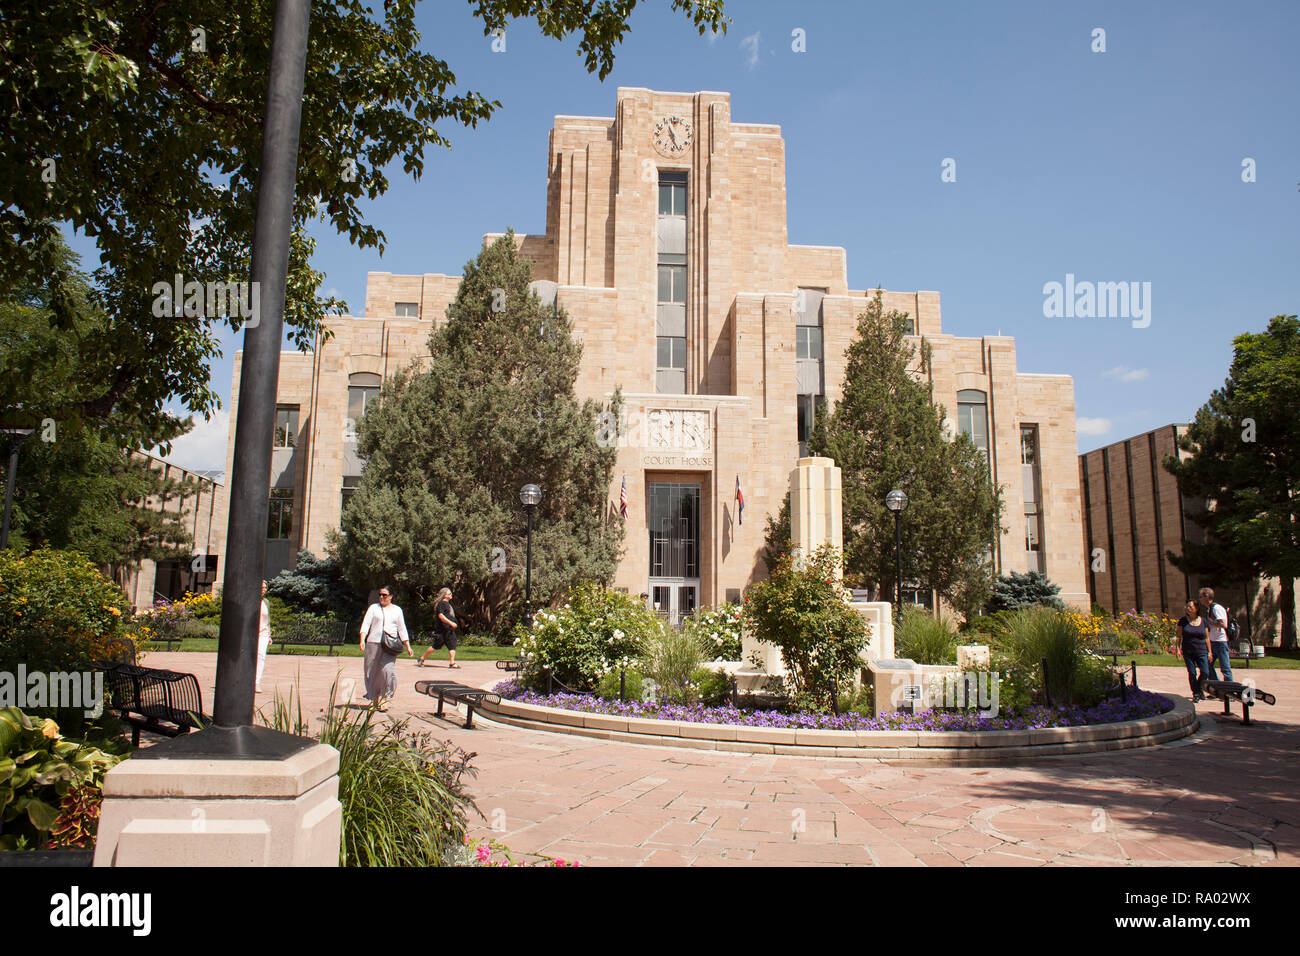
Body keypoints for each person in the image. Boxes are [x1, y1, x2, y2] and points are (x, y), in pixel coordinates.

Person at [359, 586, 412, 710]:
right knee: (371, 671)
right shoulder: (373, 608)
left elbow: (401, 628)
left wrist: (407, 645)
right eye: (380, 595)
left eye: (385, 595)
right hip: (373, 643)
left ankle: (384, 698)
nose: (382, 597)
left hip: (389, 645)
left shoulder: (397, 610)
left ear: (391, 596)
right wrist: (362, 639)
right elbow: (366, 624)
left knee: (387, 671)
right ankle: (374, 698)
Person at [418, 587, 461, 669]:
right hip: (442, 630)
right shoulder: (441, 604)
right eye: (449, 594)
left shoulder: (448, 604)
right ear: (444, 595)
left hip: (449, 630)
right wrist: (451, 623)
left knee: (452, 645)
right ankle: (422, 658)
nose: (451, 595)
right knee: (436, 646)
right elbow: (441, 616)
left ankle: (452, 663)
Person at [1178, 599, 1211, 702]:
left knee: (1205, 672)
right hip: (1188, 651)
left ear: (1196, 609)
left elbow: (1207, 638)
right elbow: (1179, 636)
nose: (1188, 608)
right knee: (1192, 672)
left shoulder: (1203, 621)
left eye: (1190, 607)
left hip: (1201, 650)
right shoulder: (1183, 621)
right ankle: (1196, 693)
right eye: (1187, 606)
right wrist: (1178, 649)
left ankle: (1199, 688)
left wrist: (1210, 651)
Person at [1200, 587, 1233, 683]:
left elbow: (1223, 624)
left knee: (1225, 668)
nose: (1200, 599)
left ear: (1207, 596)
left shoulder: (1217, 608)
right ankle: (1217, 687)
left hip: (1220, 642)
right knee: (1207, 665)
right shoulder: (1209, 609)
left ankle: (1230, 690)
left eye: (1201, 596)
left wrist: (1208, 624)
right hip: (1213, 641)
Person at [255, 580, 271, 693]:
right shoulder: (250, 601)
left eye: (265, 587)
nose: (263, 590)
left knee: (261, 656)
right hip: (251, 634)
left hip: (263, 634)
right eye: (261, 587)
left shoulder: (266, 602)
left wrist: (269, 636)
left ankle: (256, 682)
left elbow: (267, 620)